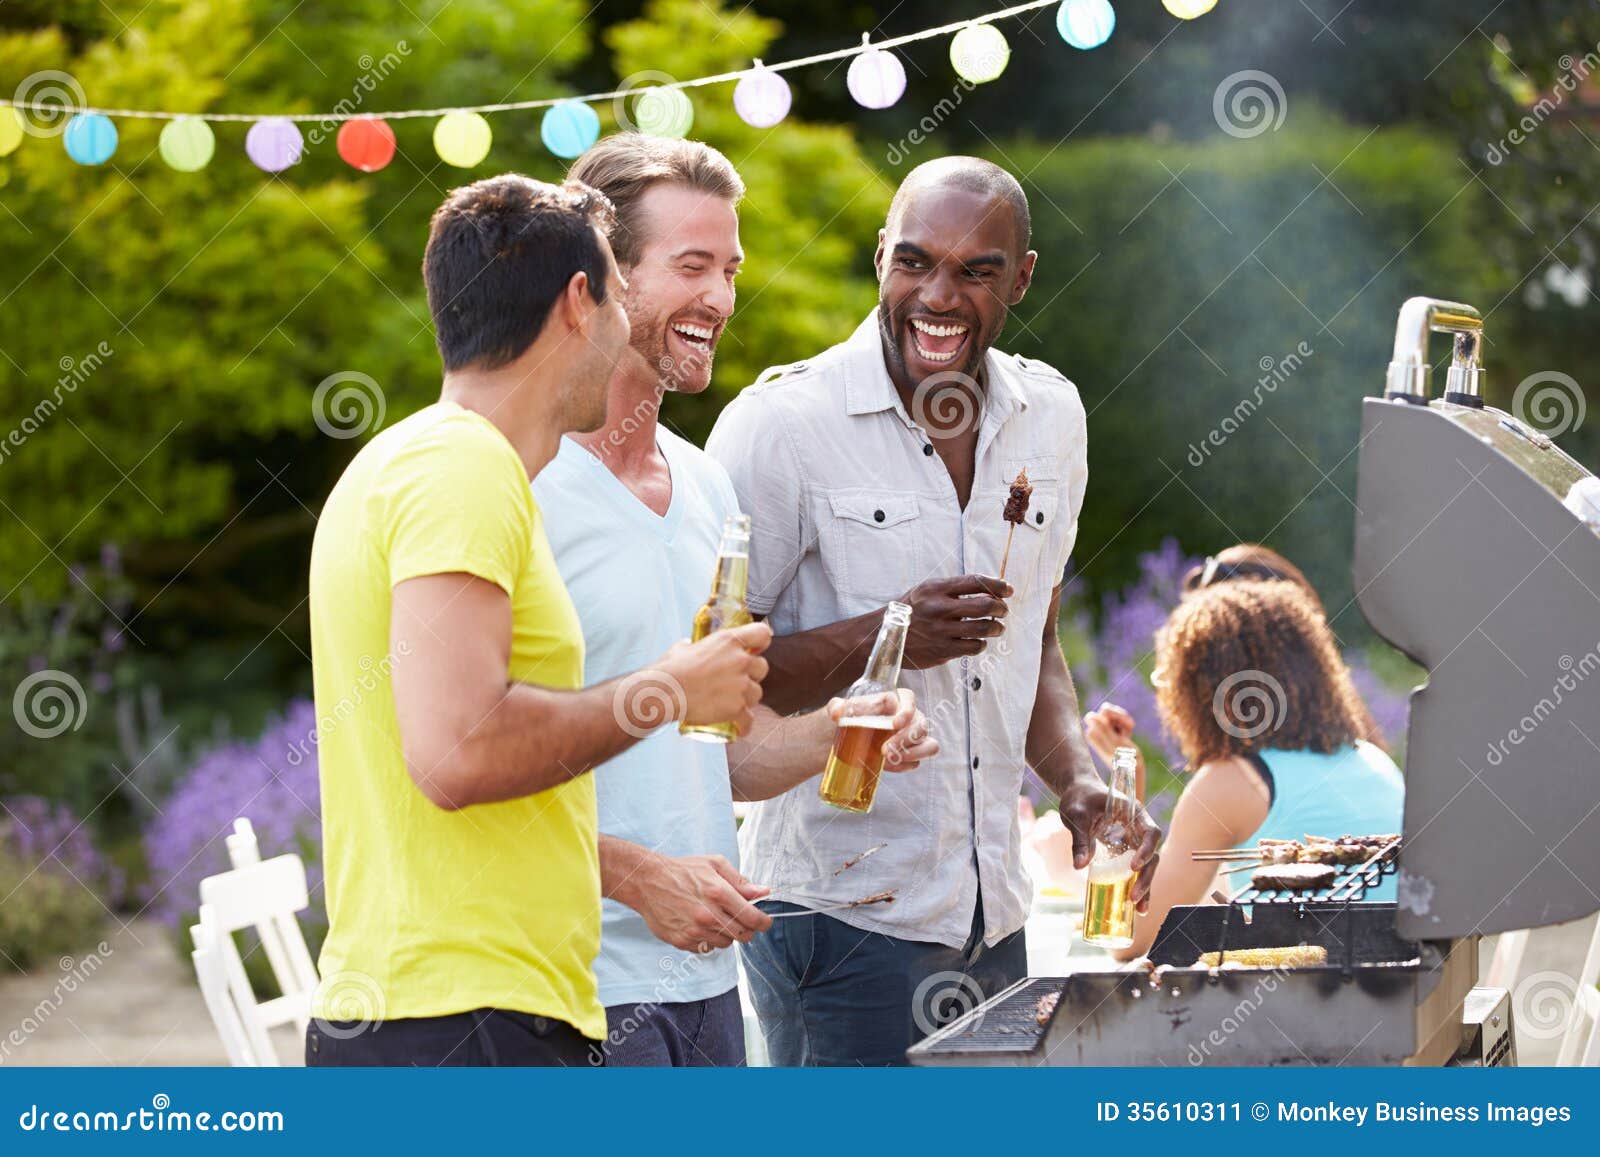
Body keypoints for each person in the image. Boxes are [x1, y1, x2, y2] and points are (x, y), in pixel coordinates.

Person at [305, 175, 772, 1067]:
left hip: (466, 1011)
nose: (625, 328)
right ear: (576, 303)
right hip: (460, 1020)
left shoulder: (420, 459)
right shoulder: (463, 467)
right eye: (620, 298)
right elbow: (460, 749)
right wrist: (670, 689)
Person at [706, 156, 1161, 1066]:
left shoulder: (1052, 417)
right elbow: (711, 684)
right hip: (838, 921)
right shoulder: (781, 425)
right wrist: (888, 634)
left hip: (993, 914)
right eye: (914, 262)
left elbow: (1035, 640)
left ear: (1021, 278)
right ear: (882, 257)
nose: (938, 296)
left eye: (975, 272)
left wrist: (1075, 780)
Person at [532, 134, 938, 1067]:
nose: (720, 298)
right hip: (569, 991)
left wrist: (841, 727)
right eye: (692, 266)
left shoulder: (710, 487)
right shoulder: (522, 483)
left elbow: (729, 753)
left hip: (708, 989)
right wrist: (636, 878)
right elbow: (470, 759)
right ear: (603, 276)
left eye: (730, 270)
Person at [1083, 579, 1404, 962]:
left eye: (1168, 680)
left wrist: (1125, 786)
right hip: (1400, 980)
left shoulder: (1231, 783)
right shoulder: (1374, 760)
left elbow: (1131, 938)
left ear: (1200, 690)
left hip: (1303, 992)